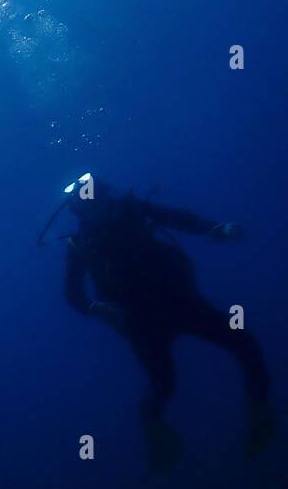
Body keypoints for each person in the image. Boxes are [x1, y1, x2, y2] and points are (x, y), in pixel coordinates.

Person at [51, 177, 273, 470]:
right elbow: (72, 295)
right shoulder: (80, 245)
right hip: (141, 323)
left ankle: (261, 422)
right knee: (166, 387)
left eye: (99, 195)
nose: (99, 204)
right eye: (88, 201)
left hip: (181, 302)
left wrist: (215, 228)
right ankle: (152, 425)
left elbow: (177, 217)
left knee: (246, 344)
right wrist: (97, 309)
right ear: (78, 210)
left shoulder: (133, 210)